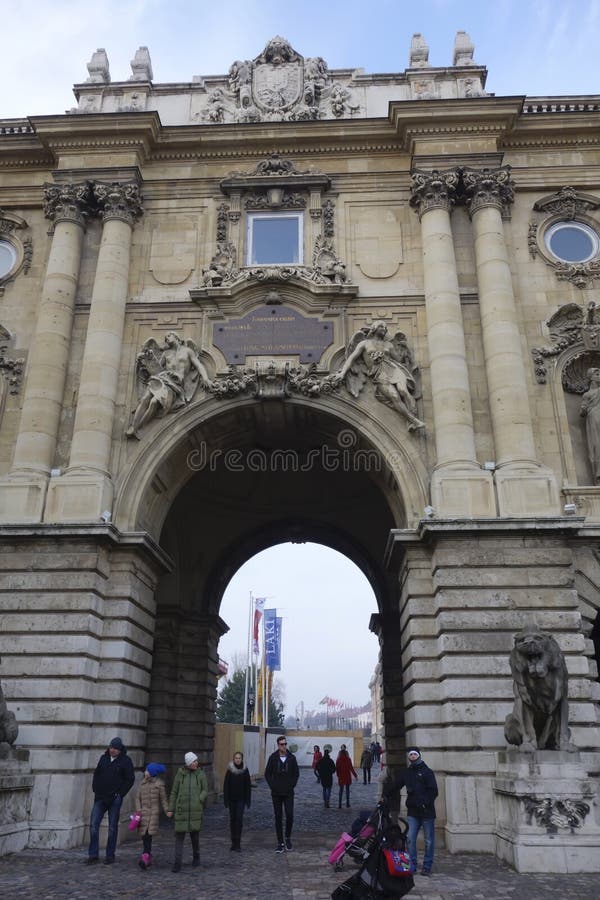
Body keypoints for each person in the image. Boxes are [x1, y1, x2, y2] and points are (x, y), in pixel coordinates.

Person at [336, 321, 425, 431]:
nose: (383, 328)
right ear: (374, 328)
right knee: (394, 396)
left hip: (393, 370)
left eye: (385, 327)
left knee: (403, 391)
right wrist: (342, 373)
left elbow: (399, 360)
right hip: (379, 374)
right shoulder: (364, 344)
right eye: (381, 326)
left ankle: (412, 418)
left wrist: (404, 349)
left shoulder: (389, 345)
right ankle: (412, 420)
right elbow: (351, 359)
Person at [127, 331, 212, 438]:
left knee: (154, 402)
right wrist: (144, 360)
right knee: (145, 398)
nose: (166, 339)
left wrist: (206, 378)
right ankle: (134, 427)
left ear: (176, 337)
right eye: (165, 337)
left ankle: (140, 427)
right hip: (162, 378)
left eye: (168, 336)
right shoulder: (166, 353)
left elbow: (199, 365)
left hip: (175, 384)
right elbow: (156, 368)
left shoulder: (188, 351)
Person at [383, 746, 438, 877]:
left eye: (415, 754)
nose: (412, 756)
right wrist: (385, 794)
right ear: (409, 757)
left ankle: (427, 866)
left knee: (429, 841)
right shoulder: (407, 773)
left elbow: (434, 791)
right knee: (409, 839)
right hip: (413, 811)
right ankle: (412, 864)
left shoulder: (427, 772)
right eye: (411, 755)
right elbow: (396, 785)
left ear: (418, 755)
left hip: (427, 812)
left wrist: (424, 803)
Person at [86, 736, 135, 865]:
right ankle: (93, 854)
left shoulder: (126, 761)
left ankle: (110, 855)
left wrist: (120, 794)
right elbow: (96, 774)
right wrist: (95, 789)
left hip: (114, 799)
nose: (112, 750)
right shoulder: (103, 759)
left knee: (112, 828)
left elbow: (130, 779)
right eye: (111, 747)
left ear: (120, 750)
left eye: (115, 748)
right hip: (100, 797)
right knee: (93, 825)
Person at [168, 751, 208, 872]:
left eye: (196, 761)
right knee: (179, 837)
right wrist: (171, 808)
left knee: (195, 837)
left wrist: (199, 799)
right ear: (189, 763)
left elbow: (205, 789)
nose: (196, 763)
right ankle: (177, 862)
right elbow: (174, 792)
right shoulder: (180, 775)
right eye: (194, 761)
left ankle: (196, 858)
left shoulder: (200, 774)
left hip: (195, 810)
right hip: (182, 810)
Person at [264, 735, 299, 852]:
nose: (284, 746)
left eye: (285, 744)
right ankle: (280, 842)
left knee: (290, 815)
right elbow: (267, 774)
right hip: (276, 793)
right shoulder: (273, 758)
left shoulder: (292, 758)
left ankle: (288, 837)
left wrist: (292, 784)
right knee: (278, 817)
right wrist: (272, 785)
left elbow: (296, 774)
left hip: (289, 792)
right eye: (282, 744)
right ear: (278, 745)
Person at [135, 762, 169, 870]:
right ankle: (147, 856)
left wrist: (167, 811)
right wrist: (138, 810)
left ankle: (145, 856)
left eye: (147, 770)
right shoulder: (142, 784)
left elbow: (163, 800)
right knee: (144, 836)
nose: (145, 772)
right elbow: (137, 798)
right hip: (143, 814)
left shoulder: (159, 785)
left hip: (153, 814)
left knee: (148, 835)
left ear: (151, 773)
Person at [223, 751, 252, 851]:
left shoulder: (245, 770)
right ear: (233, 759)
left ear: (242, 759)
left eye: (239, 758)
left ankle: (238, 843)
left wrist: (248, 800)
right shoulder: (230, 770)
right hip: (231, 799)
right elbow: (226, 785)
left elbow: (248, 786)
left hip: (241, 800)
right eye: (236, 758)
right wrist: (226, 799)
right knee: (232, 820)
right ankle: (233, 842)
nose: (237, 759)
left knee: (239, 820)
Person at [580, 367, 600, 482]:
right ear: (591, 377)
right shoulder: (587, 395)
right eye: (597, 374)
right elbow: (582, 412)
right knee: (596, 444)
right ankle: (598, 474)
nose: (599, 376)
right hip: (593, 417)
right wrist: (583, 409)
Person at [335, 744, 358, 808]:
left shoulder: (338, 760)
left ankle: (339, 804)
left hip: (341, 776)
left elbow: (337, 768)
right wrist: (355, 775)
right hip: (347, 776)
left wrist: (338, 775)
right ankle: (347, 803)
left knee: (341, 790)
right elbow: (351, 768)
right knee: (347, 790)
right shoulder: (348, 759)